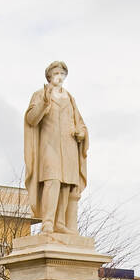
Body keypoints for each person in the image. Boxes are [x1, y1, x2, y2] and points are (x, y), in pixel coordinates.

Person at [24, 60, 87, 235]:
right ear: (49, 76)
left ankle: (60, 223)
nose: (59, 77)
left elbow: (80, 123)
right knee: (52, 180)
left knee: (66, 184)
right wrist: (44, 102)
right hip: (49, 145)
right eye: (56, 73)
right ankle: (48, 223)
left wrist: (80, 132)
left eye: (62, 74)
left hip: (69, 146)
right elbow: (31, 119)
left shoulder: (70, 98)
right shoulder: (40, 95)